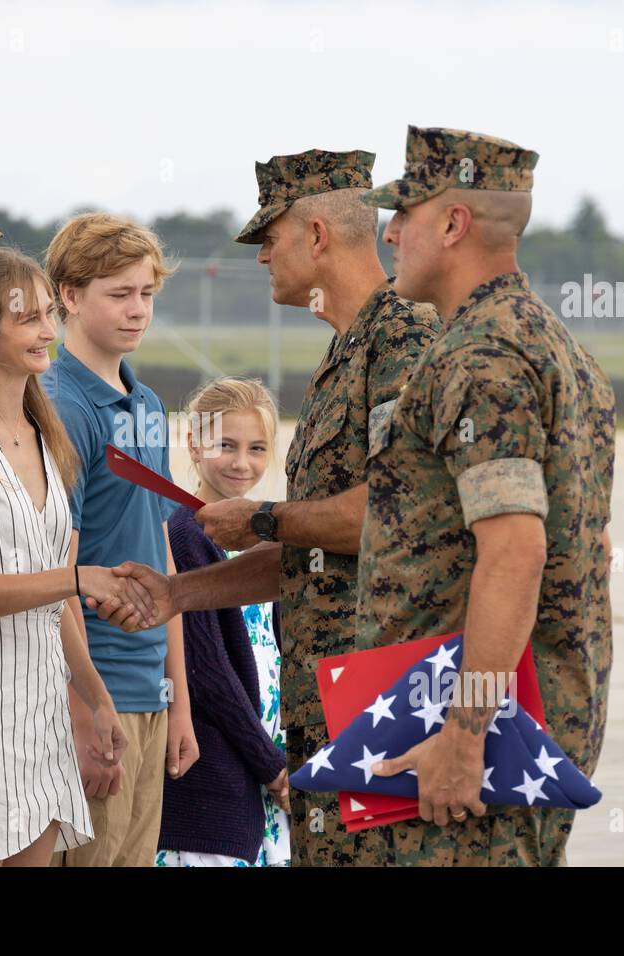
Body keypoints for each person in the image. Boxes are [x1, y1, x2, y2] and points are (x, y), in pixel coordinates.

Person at [97, 149, 442, 865]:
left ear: (316, 234)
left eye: (269, 238)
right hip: (333, 696)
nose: (261, 258)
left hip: (384, 693)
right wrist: (177, 593)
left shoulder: (403, 341)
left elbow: (397, 514)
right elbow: (315, 551)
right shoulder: (346, 353)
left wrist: (262, 518)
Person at [356, 125, 616, 865]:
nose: (391, 231)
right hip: (525, 717)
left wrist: (465, 735)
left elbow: (515, 551)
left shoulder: (483, 356)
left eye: (404, 214)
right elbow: (587, 538)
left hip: (468, 736)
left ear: (453, 224)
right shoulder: (557, 345)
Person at [0, 247, 149, 866]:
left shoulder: (47, 433)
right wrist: (77, 577)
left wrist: (95, 697)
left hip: (42, 717)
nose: (48, 330)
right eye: (28, 318)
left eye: (47, 315)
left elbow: (58, 597)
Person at [41, 212, 199, 867]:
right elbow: (58, 577)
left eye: (147, 294)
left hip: (150, 699)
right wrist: (86, 709)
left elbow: (161, 560)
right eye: (119, 293)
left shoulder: (150, 406)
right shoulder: (56, 405)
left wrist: (180, 702)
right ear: (70, 297)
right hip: (92, 696)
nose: (138, 310)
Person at [156, 377, 291, 867]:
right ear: (193, 444)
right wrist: (272, 767)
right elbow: (208, 676)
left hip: (266, 765)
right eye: (226, 445)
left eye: (257, 448)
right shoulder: (185, 536)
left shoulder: (262, 543)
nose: (242, 462)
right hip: (218, 775)